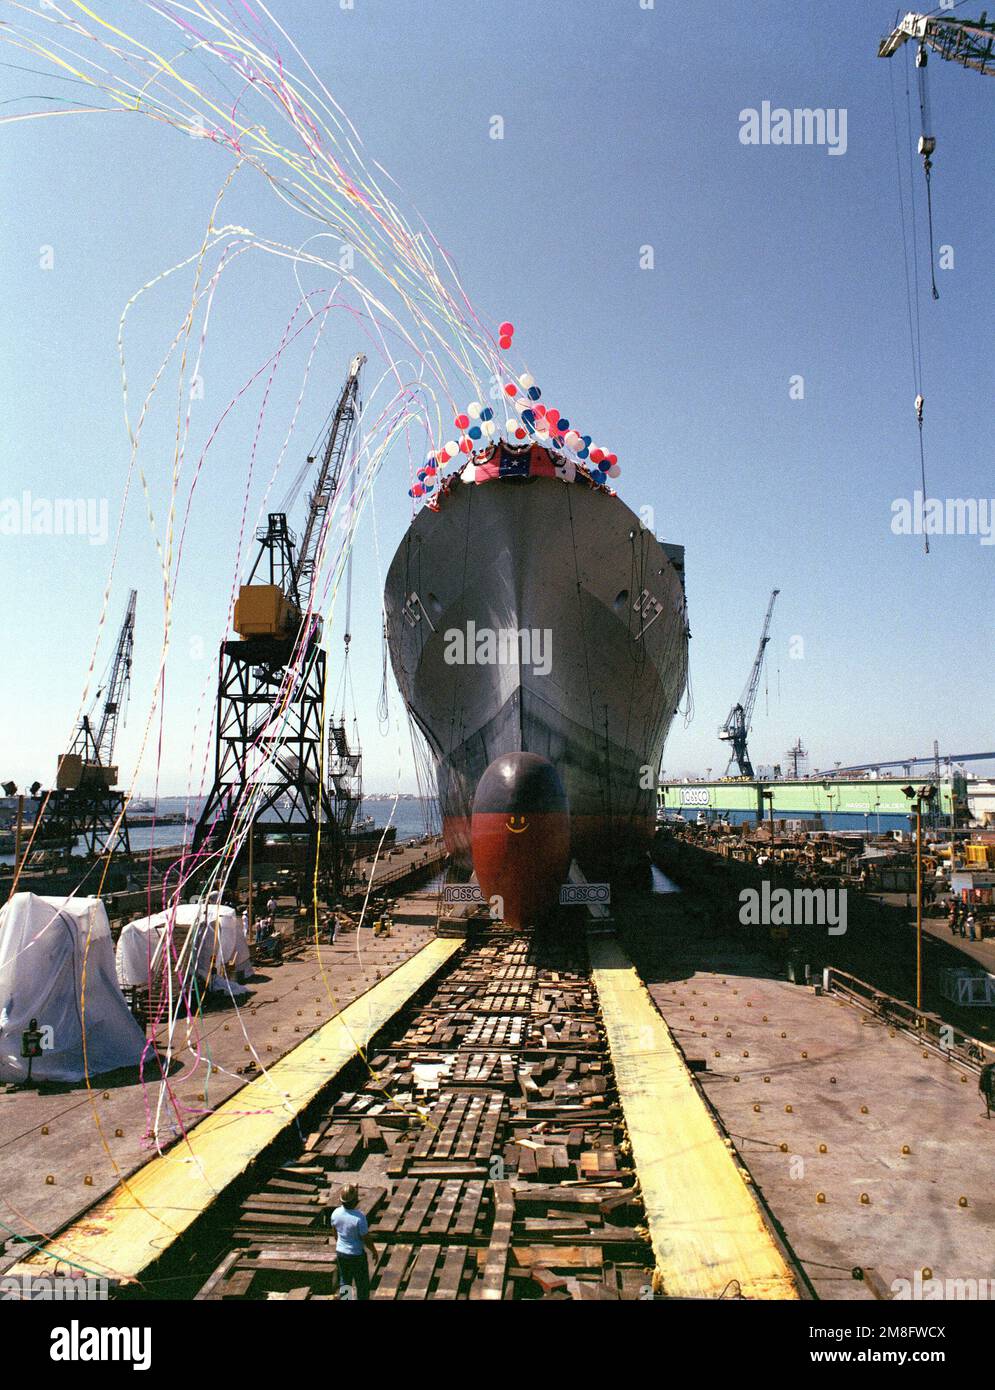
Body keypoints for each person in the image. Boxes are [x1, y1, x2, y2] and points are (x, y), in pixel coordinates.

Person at [331, 1184, 377, 1301]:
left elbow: (335, 1233)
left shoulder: (335, 1213)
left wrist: (342, 1245)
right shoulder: (359, 1217)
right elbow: (366, 1238)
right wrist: (374, 1251)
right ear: (355, 1200)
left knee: (345, 1281)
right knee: (362, 1284)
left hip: (341, 1253)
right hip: (356, 1255)